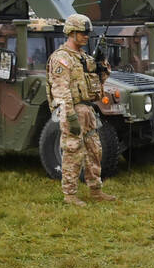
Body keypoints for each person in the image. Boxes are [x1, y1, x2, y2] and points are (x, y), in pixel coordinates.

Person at [47, 14, 118, 206]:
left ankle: (95, 189)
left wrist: (102, 62)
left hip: (88, 110)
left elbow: (99, 80)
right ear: (71, 32)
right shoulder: (61, 59)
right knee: (72, 150)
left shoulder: (84, 58)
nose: (87, 36)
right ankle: (69, 194)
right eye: (83, 33)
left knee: (95, 150)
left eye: (88, 33)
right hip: (73, 110)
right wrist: (69, 116)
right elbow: (60, 91)